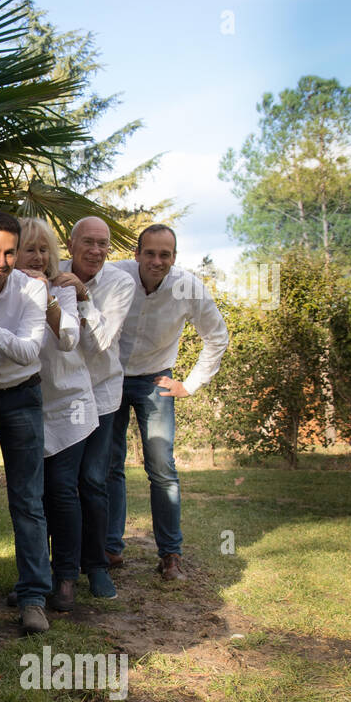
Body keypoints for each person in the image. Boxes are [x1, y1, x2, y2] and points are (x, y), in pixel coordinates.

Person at [109, 225, 229, 580]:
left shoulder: (188, 286)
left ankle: (170, 554)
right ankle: (111, 547)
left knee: (161, 467)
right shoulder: (115, 274)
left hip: (155, 380)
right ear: (137, 253)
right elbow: (70, 263)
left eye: (165, 254)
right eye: (150, 253)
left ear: (174, 258)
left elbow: (217, 337)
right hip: (111, 378)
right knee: (109, 465)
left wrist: (189, 385)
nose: (157, 261)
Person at [0, 210, 53, 635]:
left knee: (28, 499)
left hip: (22, 394)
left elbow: (29, 352)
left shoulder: (32, 290)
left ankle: (34, 595)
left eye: (10, 252)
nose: (1, 261)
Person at [15, 217, 98, 612]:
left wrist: (45, 294)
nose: (37, 256)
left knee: (63, 490)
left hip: (71, 403)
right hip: (30, 403)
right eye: (29, 248)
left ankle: (66, 577)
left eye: (43, 249)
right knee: (35, 494)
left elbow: (67, 340)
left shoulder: (63, 287)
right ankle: (38, 576)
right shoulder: (7, 290)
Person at [58, 216, 135, 598]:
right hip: (63, 397)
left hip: (102, 394)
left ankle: (97, 566)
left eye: (103, 244)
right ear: (70, 245)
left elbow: (102, 342)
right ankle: (64, 569)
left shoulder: (120, 283)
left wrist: (84, 298)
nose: (96, 251)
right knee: (60, 485)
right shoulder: (52, 275)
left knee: (93, 479)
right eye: (88, 242)